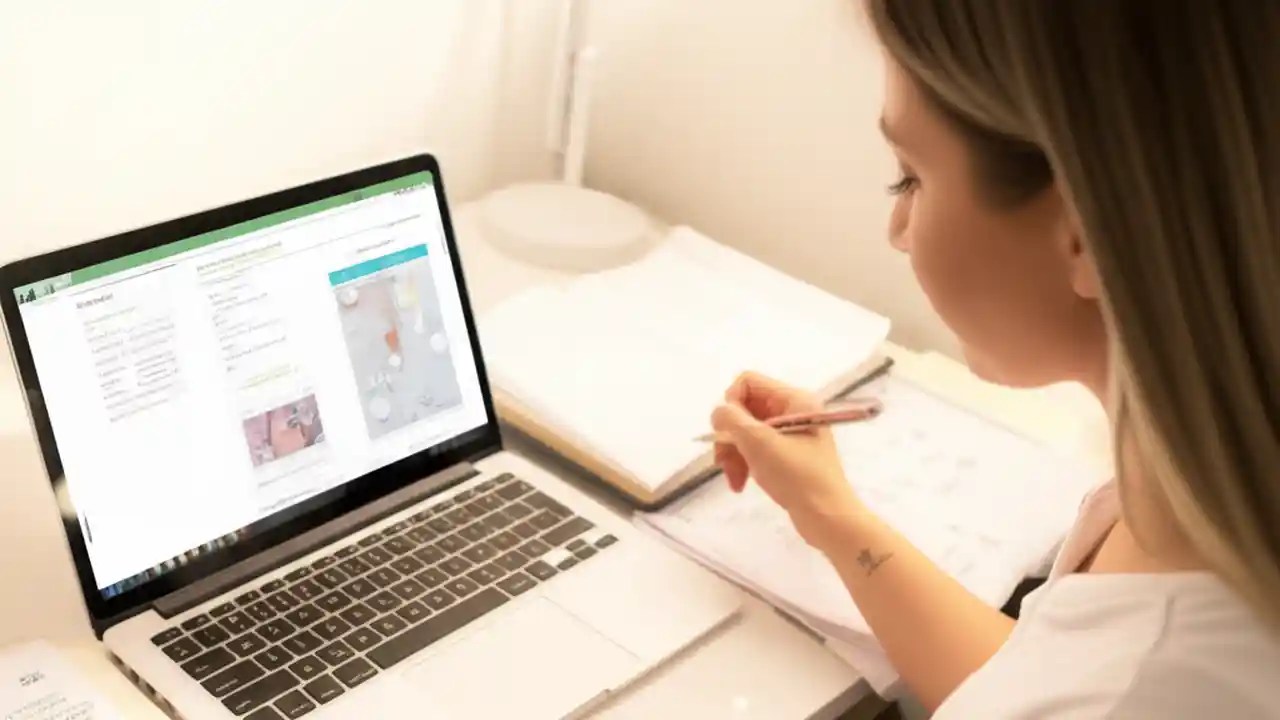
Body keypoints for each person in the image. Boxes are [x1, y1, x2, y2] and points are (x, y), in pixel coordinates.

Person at [710, 2, 1280, 717]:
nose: (898, 230)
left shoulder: (1148, 685)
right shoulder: (1203, 499)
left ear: (1085, 233)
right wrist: (828, 512)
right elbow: (1025, 684)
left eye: (909, 177)